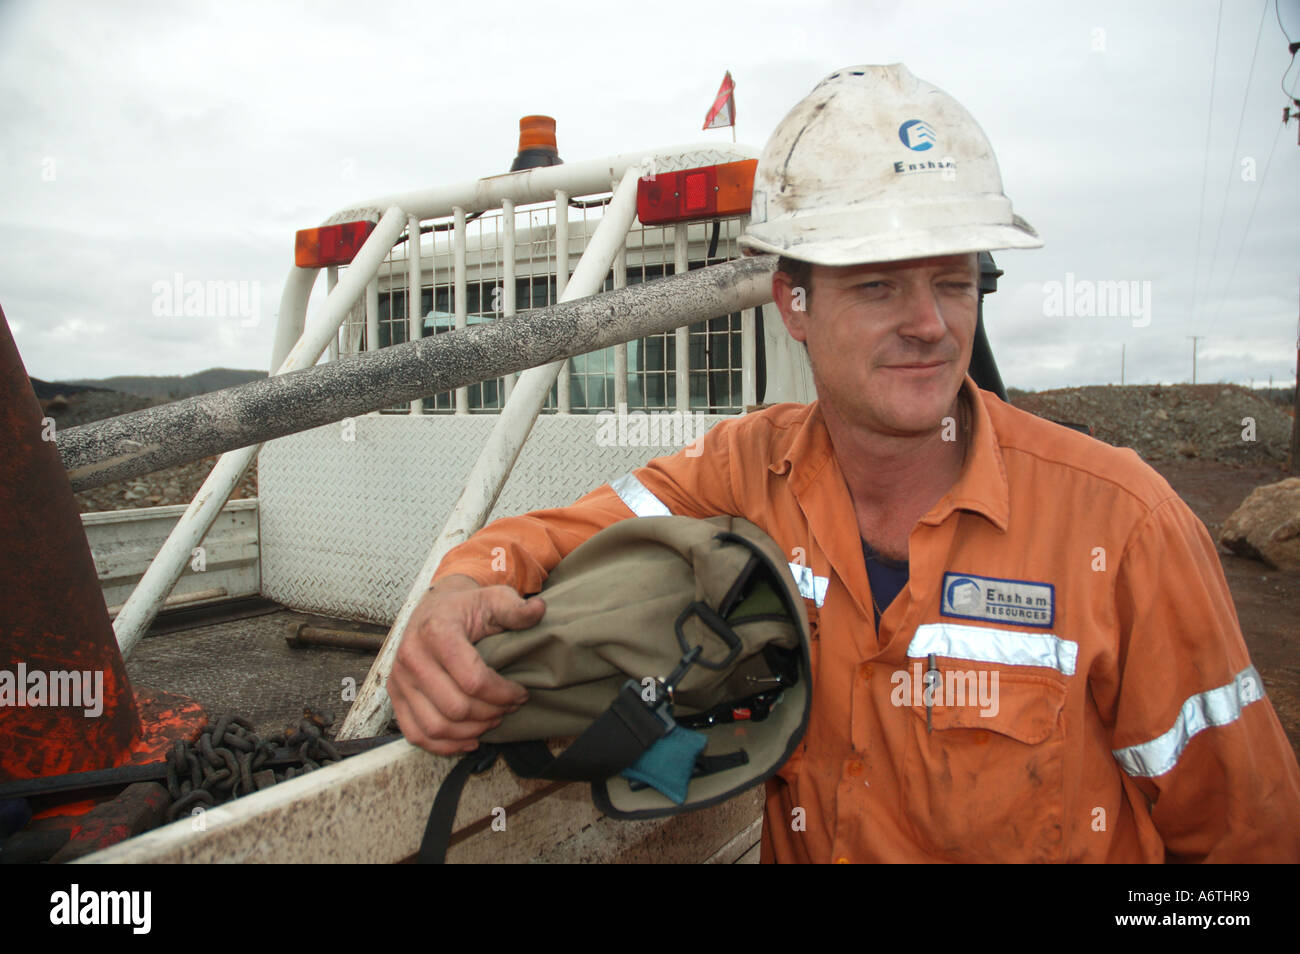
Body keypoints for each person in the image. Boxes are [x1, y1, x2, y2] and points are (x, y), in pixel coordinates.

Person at [387, 64, 1300, 862]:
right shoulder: (748, 471)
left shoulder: (1124, 527)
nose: (929, 324)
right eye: (876, 285)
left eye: (952, 281)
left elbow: (1247, 851)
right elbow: (551, 536)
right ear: (794, 303)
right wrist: (452, 594)